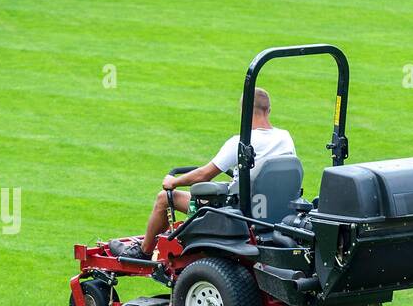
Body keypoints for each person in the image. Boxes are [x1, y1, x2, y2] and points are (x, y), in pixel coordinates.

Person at [108, 88, 296, 259]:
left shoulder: (241, 142)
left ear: (244, 111)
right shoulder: (285, 137)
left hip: (238, 214)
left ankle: (143, 252)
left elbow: (203, 175)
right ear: (268, 110)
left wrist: (174, 182)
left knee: (164, 199)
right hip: (272, 211)